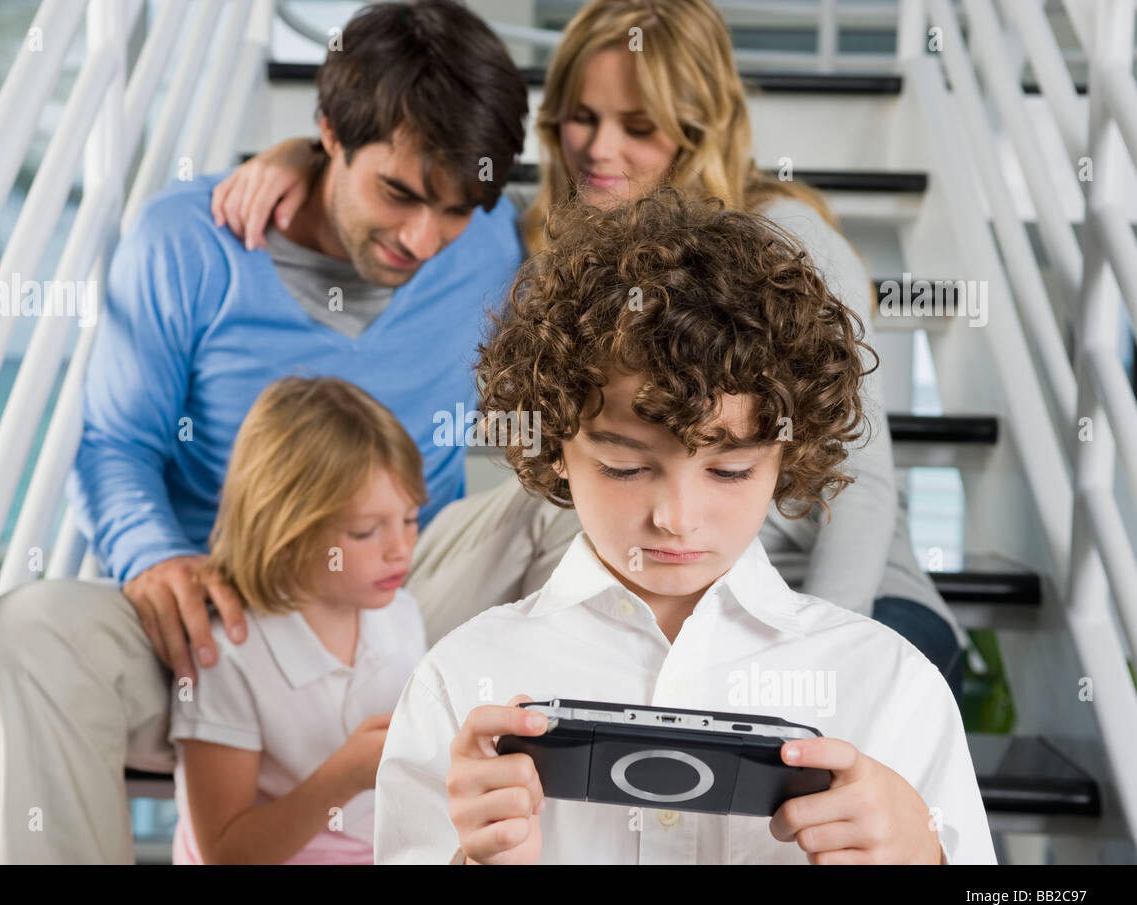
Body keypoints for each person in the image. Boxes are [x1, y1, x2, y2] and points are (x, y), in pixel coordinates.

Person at [214, 0, 966, 700]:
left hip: (831, 588)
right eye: (582, 117)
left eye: (639, 126)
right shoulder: (548, 244)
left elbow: (860, 491)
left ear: (696, 130)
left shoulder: (787, 242)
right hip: (656, 585)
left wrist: (811, 651)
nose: (601, 149)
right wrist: (309, 159)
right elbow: (418, 190)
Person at [0, 0, 543, 864]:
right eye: (399, 195)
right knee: (20, 635)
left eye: (455, 209)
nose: (425, 238)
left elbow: (614, 169)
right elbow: (117, 444)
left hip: (405, 601)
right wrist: (154, 557)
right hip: (222, 620)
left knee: (575, 511)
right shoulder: (187, 243)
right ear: (330, 134)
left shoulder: (490, 242)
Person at [373, 188, 996, 865]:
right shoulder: (461, 682)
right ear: (554, 440)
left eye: (730, 472)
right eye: (622, 466)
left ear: (788, 451)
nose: (676, 519)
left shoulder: (890, 685)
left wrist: (924, 859)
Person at [170, 377, 425, 865]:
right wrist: (344, 777)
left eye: (411, 518)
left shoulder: (400, 612)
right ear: (287, 535)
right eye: (366, 530)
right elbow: (227, 853)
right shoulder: (228, 657)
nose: (401, 548)